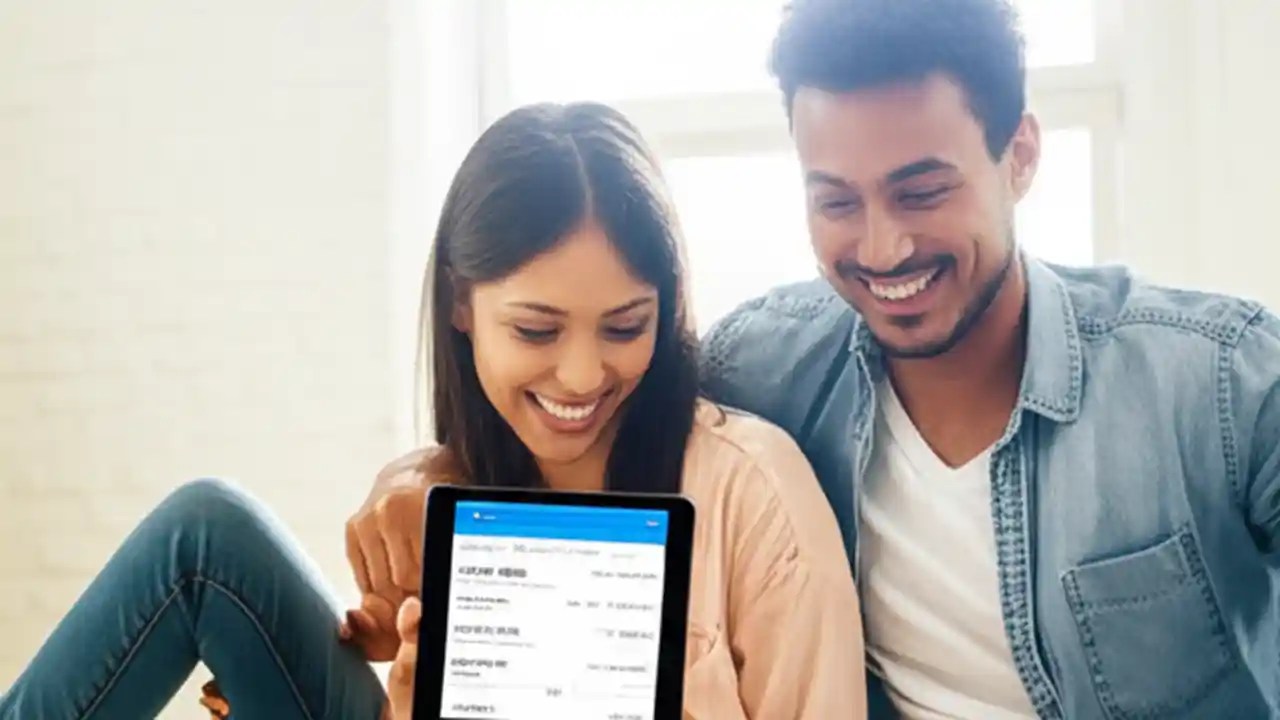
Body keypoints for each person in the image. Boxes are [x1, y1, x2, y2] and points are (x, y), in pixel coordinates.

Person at [0, 102, 866, 719]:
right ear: (461, 304)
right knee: (207, 535)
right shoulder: (450, 499)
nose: (581, 376)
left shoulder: (754, 499)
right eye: (536, 329)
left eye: (625, 326)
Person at [689, 0, 1280, 718]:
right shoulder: (757, 372)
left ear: (1020, 156)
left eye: (922, 194)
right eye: (838, 204)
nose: (883, 249)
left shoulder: (1219, 382)